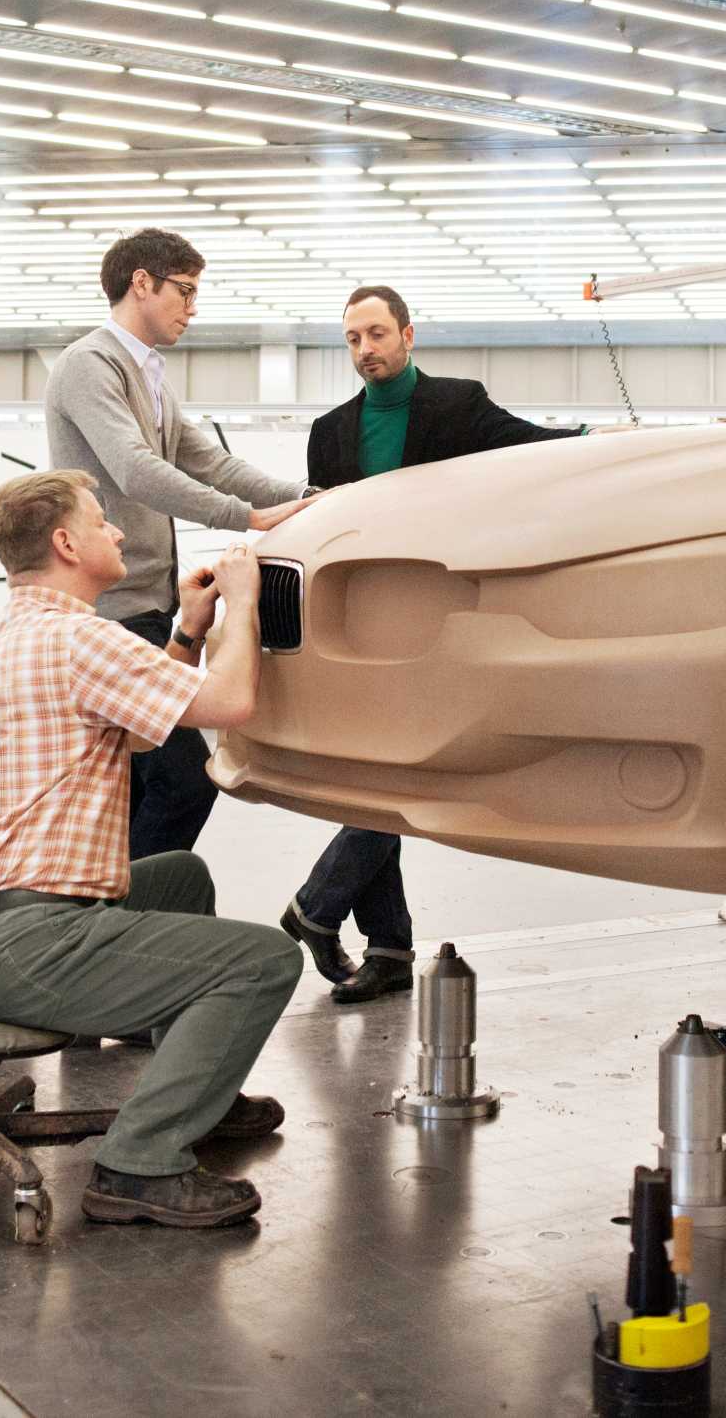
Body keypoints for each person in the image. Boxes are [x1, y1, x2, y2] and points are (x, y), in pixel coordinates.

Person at [0, 469, 303, 1229]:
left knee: (180, 877)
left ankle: (199, 1086)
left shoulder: (20, 632)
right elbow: (231, 703)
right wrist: (244, 605)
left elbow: (137, 732)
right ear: (67, 544)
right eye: (102, 521)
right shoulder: (79, 638)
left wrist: (189, 630)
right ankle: (140, 1163)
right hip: (27, 945)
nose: (120, 532)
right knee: (265, 960)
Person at [281, 284, 589, 1004]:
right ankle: (387, 948)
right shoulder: (329, 431)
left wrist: (592, 441)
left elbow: (527, 445)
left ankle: (317, 906)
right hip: (354, 626)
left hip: (433, 622)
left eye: (377, 334)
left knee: (403, 778)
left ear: (408, 335)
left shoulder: (456, 405)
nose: (365, 350)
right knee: (371, 777)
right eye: (353, 338)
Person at [46, 226, 317, 860]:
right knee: (184, 782)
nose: (192, 308)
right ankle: (126, 910)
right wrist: (247, 517)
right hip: (110, 613)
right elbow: (135, 469)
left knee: (134, 790)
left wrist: (308, 497)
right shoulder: (90, 365)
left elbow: (212, 463)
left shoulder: (151, 379)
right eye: (185, 291)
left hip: (145, 608)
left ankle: (110, 909)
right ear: (141, 283)